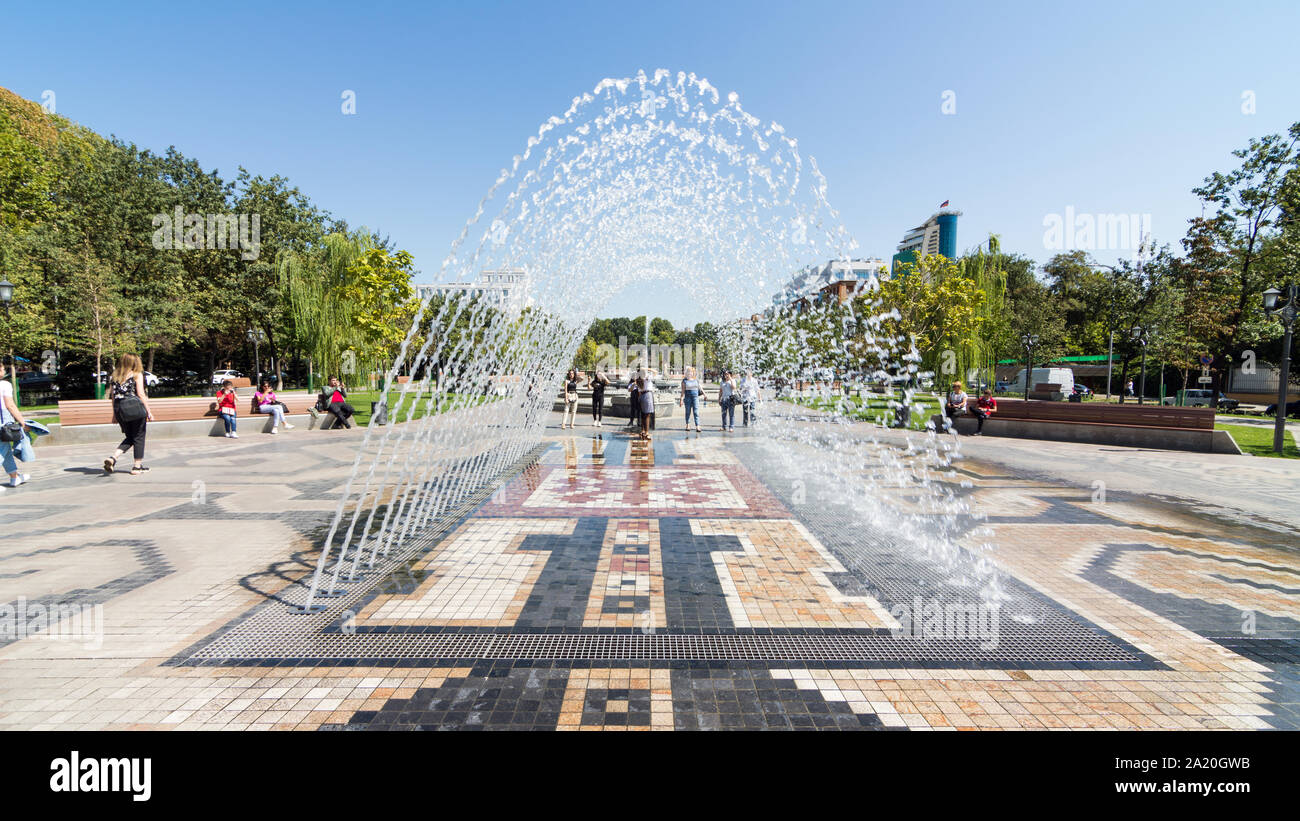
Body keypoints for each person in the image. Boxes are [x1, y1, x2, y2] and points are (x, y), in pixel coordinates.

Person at [103, 353, 156, 475]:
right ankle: (137, 466)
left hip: (120, 410)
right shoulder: (136, 375)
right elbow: (141, 394)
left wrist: (114, 415)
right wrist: (149, 412)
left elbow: (113, 397)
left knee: (131, 437)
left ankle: (113, 458)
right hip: (135, 409)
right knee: (139, 436)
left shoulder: (114, 376)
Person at [0, 362, 34, 487]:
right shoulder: (5, 385)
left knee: (6, 451)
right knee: (2, 450)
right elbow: (10, 405)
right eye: (3, 369)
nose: (4, 371)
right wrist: (22, 421)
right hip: (2, 423)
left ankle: (14, 477)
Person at [679, 366, 702, 432]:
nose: (690, 373)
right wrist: (681, 400)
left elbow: (700, 387)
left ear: (693, 373)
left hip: (695, 397)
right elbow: (683, 391)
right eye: (688, 372)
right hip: (688, 398)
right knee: (688, 412)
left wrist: (705, 394)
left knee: (696, 412)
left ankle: (697, 426)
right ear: (686, 373)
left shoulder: (696, 380)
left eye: (691, 372)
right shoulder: (684, 381)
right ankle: (687, 425)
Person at [638, 376, 656, 440]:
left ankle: (643, 431)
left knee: (643, 415)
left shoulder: (639, 378)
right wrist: (647, 368)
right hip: (647, 395)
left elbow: (639, 391)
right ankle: (647, 433)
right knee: (647, 415)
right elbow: (655, 372)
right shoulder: (647, 378)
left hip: (641, 395)